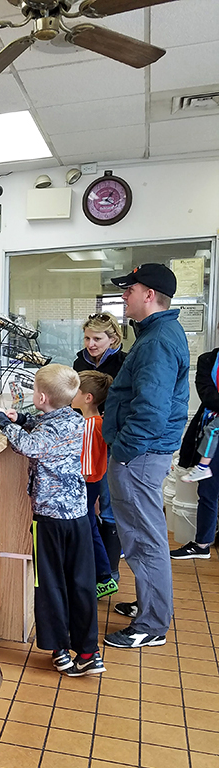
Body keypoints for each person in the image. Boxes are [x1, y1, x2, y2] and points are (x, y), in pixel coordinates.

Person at [0, 364, 104, 677]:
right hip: (78, 516)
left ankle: (59, 650)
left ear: (41, 396)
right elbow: (50, 432)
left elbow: (29, 446)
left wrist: (2, 419)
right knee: (81, 582)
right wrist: (25, 419)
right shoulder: (75, 418)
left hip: (49, 519)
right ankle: (88, 651)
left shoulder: (46, 431)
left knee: (49, 582)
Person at [101, 263, 190, 647]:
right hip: (145, 452)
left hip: (138, 455)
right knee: (141, 535)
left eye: (129, 290)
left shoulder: (155, 341)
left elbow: (150, 410)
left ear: (148, 294)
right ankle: (148, 604)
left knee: (144, 539)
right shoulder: (159, 332)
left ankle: (151, 626)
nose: (124, 296)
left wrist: (121, 451)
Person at [73, 312, 127, 575]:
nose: (90, 344)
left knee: (108, 507)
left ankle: (109, 571)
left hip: (110, 442)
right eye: (87, 338)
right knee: (88, 509)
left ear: (113, 339)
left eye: (97, 338)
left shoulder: (123, 364)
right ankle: (92, 567)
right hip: (85, 441)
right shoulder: (78, 362)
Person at [170, 345, 219, 559]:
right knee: (208, 492)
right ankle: (202, 544)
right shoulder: (208, 360)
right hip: (212, 429)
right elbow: (208, 396)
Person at [73, 371, 118, 599]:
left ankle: (103, 576)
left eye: (75, 390)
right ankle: (102, 574)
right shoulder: (96, 422)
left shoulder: (91, 425)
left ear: (88, 398)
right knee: (90, 525)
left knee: (89, 527)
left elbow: (86, 463)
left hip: (86, 482)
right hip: (94, 482)